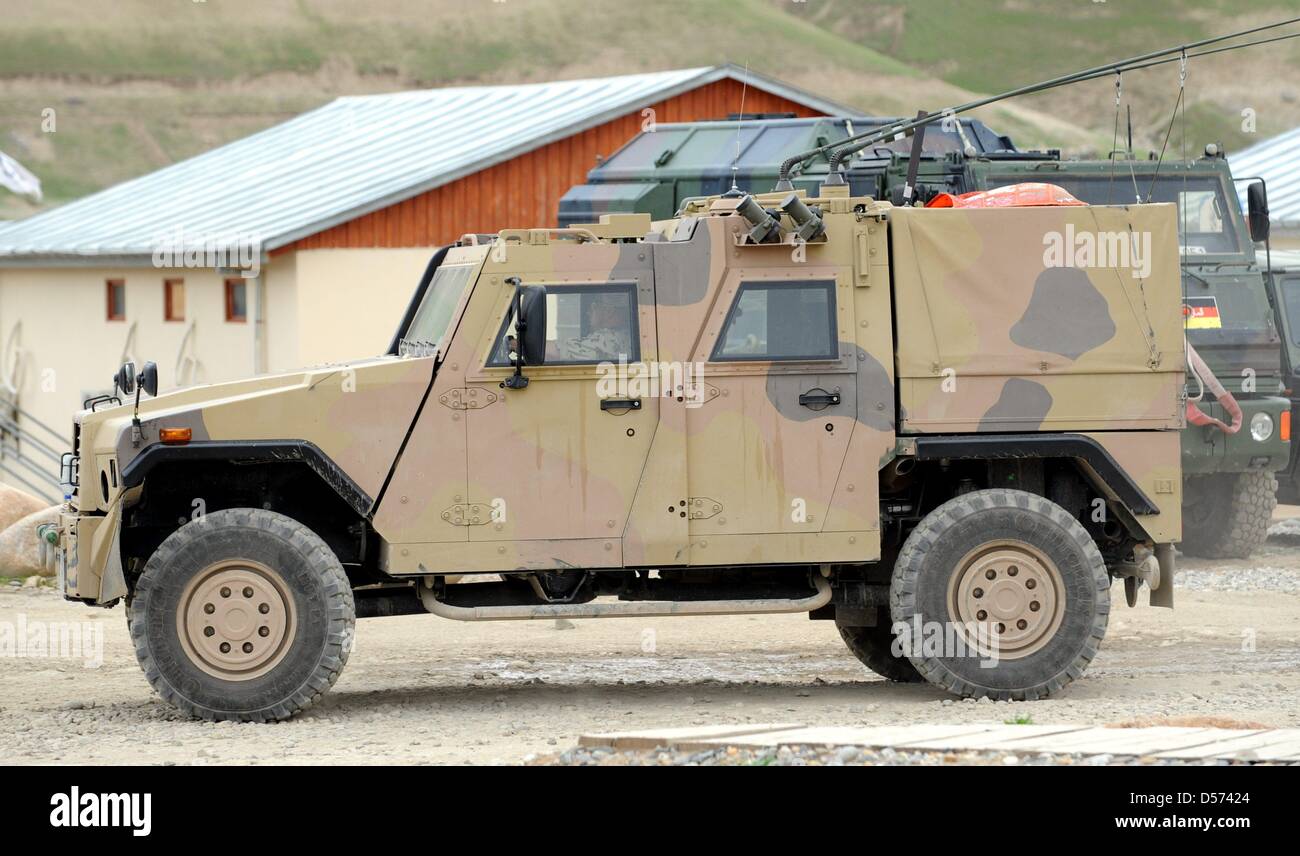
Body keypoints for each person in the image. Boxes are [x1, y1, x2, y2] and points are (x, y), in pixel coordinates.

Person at [550, 292, 633, 362]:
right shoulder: (627, 336)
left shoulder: (608, 339)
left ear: (608, 311)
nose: (588, 312)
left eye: (593, 307)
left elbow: (554, 352)